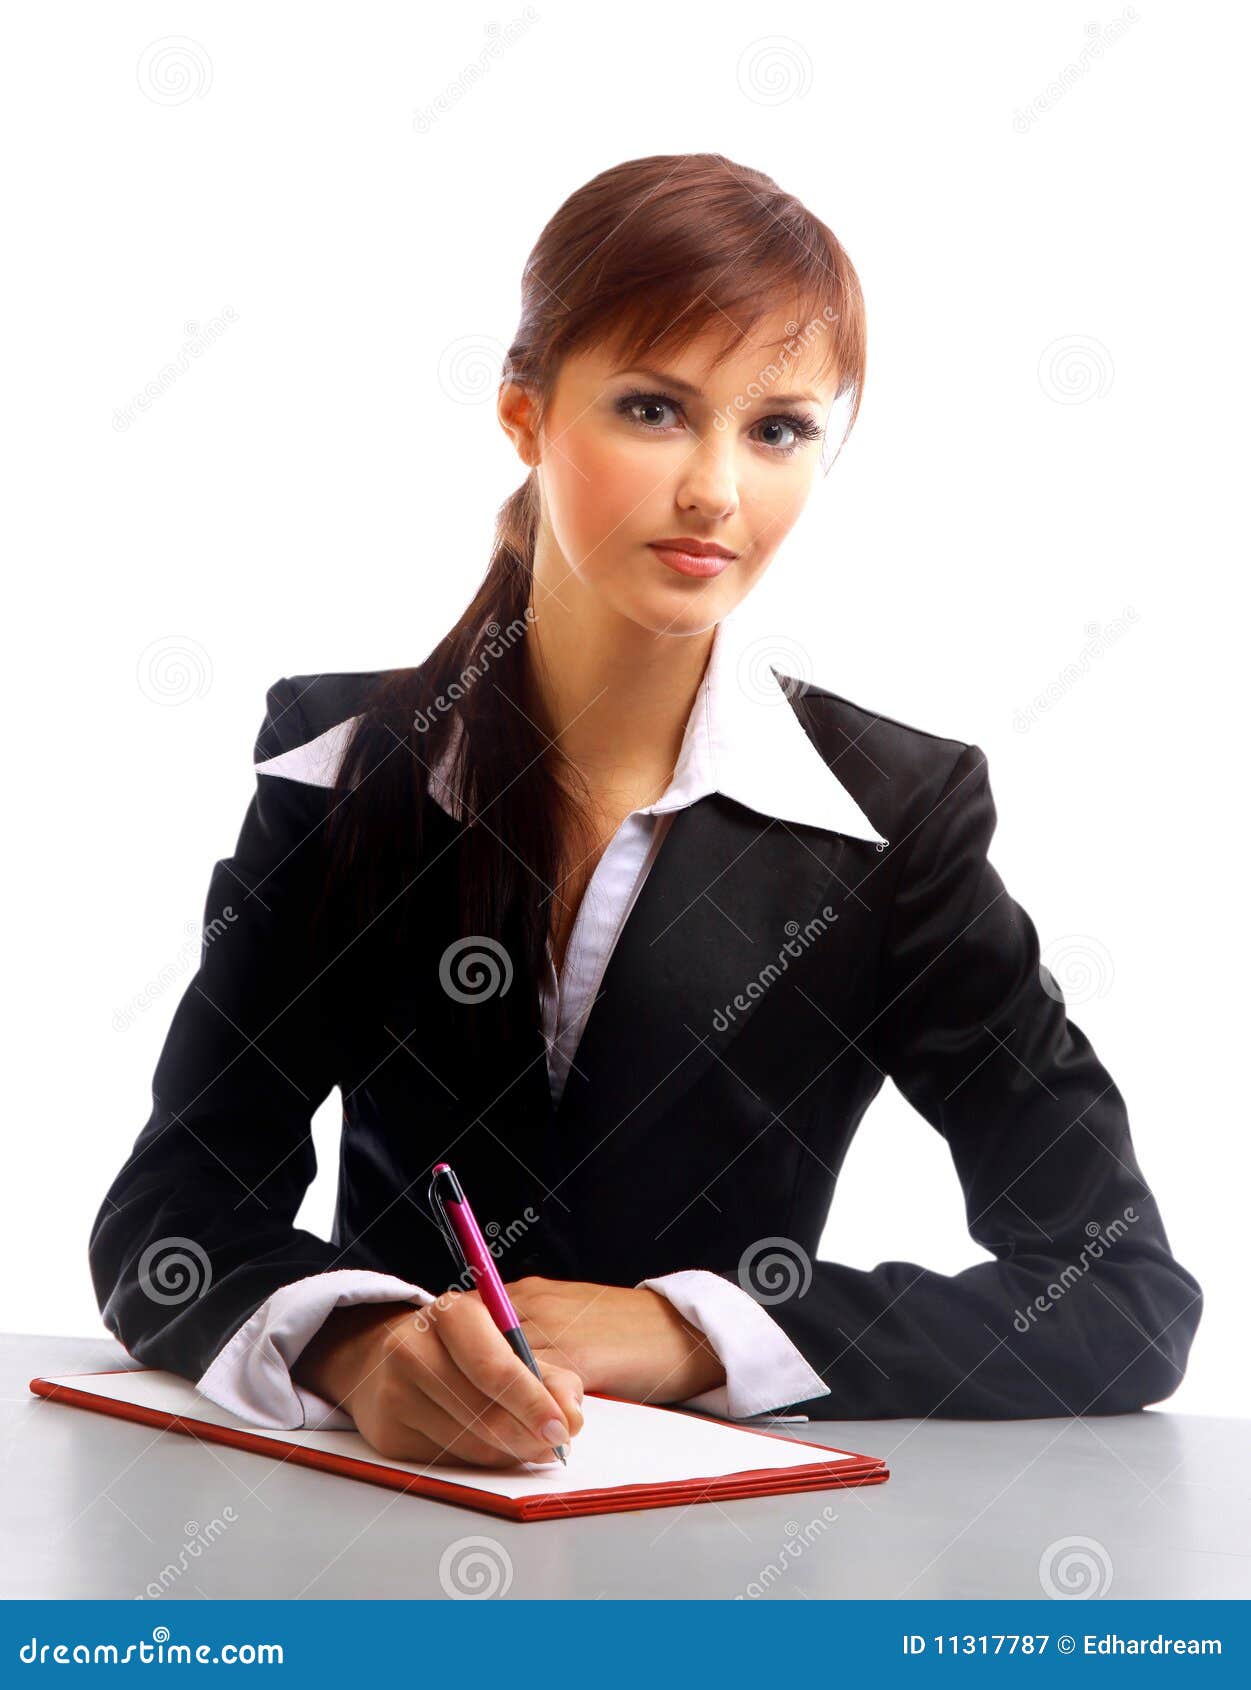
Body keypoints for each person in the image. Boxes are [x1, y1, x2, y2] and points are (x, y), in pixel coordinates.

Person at [90, 152, 1202, 1470]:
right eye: (655, 408)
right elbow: (171, 1218)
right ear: (525, 414)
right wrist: (362, 1345)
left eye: (779, 428)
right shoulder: (348, 770)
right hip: (383, 1521)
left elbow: (1121, 1293)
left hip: (733, 1564)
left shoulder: (893, 818)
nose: (718, 490)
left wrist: (689, 1333)